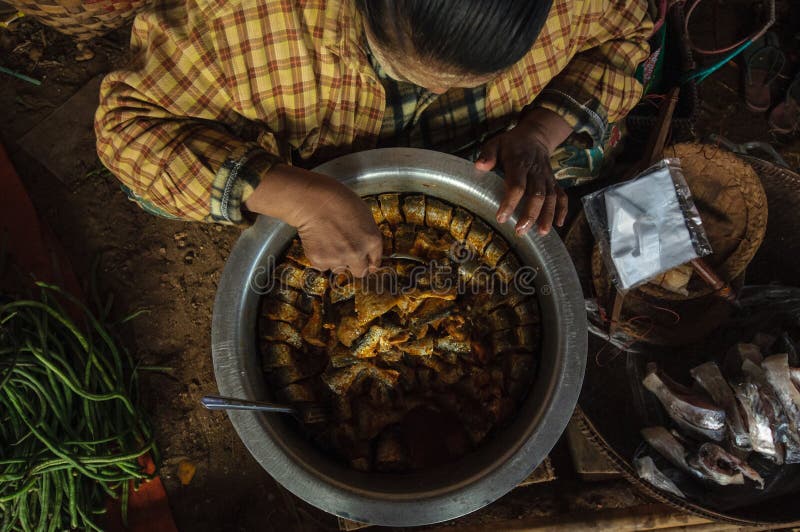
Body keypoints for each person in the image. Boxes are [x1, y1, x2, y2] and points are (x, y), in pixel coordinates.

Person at [96, 0, 652, 276]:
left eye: (467, 81)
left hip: (492, 143)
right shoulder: (234, 20)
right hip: (316, 156)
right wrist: (301, 199)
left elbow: (633, 38)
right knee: (157, 187)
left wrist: (536, 132)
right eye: (404, 66)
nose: (438, 89)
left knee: (586, 152)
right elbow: (126, 130)